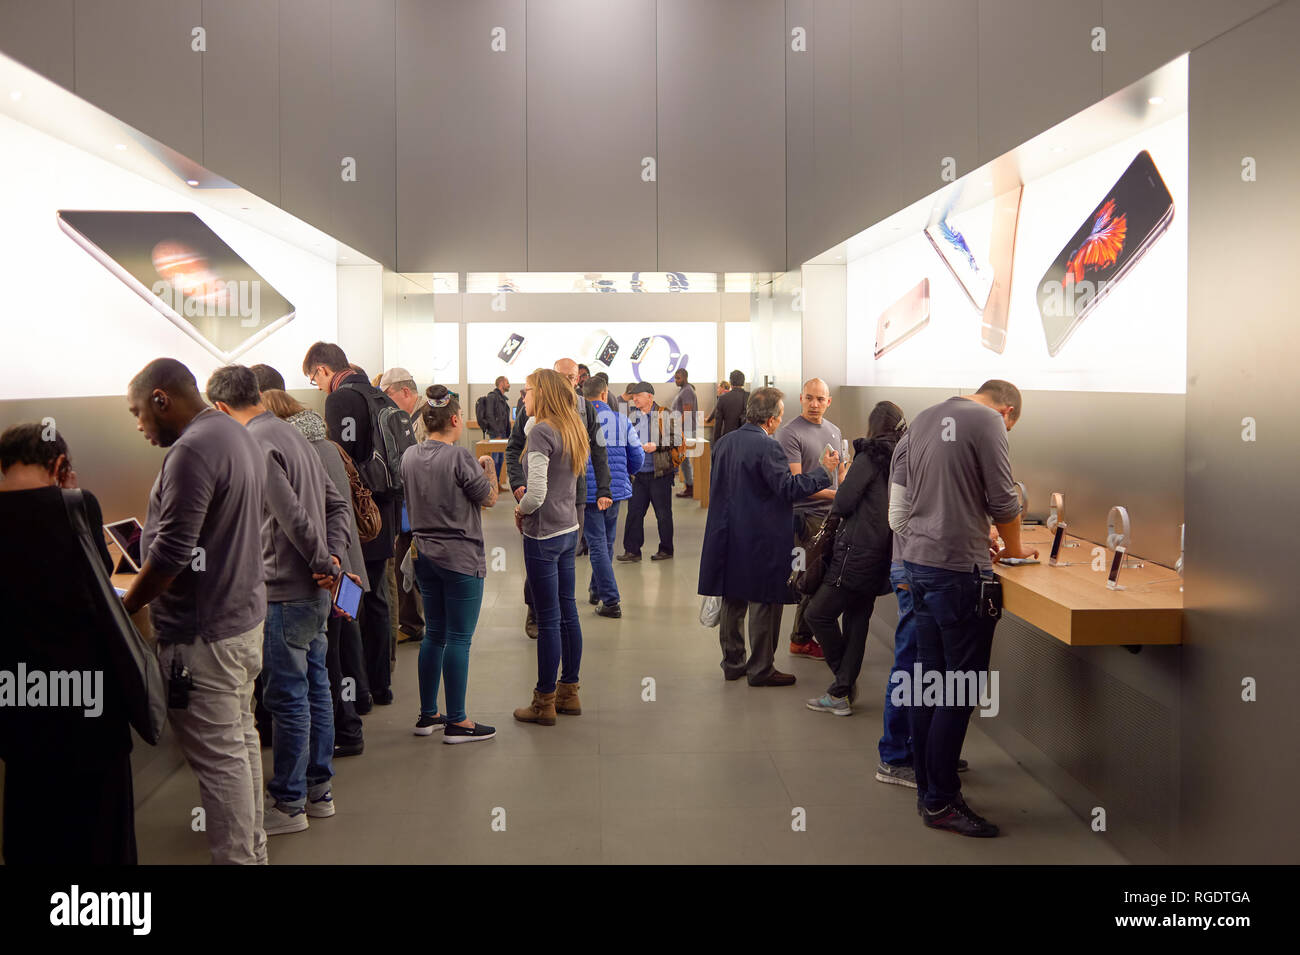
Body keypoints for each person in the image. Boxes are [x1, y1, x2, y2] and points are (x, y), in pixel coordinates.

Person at [120, 358, 269, 864]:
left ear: (161, 399)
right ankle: (253, 855)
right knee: (239, 744)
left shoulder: (192, 450)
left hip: (203, 638)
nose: (139, 426)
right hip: (241, 623)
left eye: (139, 412)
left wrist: (128, 604)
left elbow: (171, 554)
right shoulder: (233, 433)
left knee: (222, 759)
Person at [207, 366, 353, 835]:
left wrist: (321, 558)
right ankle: (318, 791)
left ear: (222, 408)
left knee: (287, 698)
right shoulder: (295, 437)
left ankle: (289, 803)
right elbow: (336, 504)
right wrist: (332, 554)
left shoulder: (253, 444)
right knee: (316, 690)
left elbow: (289, 515)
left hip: (285, 592)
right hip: (313, 592)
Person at [893, 380, 1036, 838]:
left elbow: (904, 503)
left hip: (917, 563)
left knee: (930, 678)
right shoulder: (990, 421)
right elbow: (1002, 498)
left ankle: (927, 791)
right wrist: (1014, 549)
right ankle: (940, 802)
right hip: (957, 573)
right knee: (959, 688)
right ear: (1008, 411)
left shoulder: (922, 418)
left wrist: (964, 529)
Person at [0, 424, 139, 864]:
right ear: (60, 466)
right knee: (101, 831)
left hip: (18, 700)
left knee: (31, 821)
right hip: (89, 702)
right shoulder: (77, 506)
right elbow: (97, 586)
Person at [699, 387, 838, 687]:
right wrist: (824, 472)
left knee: (733, 598)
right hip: (759, 537)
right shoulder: (769, 447)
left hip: (726, 533)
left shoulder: (724, 443)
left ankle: (733, 663)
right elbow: (787, 488)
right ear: (773, 420)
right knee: (764, 601)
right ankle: (761, 669)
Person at [261, 389, 371, 759]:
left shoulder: (283, 452)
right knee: (333, 662)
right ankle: (352, 723)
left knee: (323, 670)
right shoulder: (323, 446)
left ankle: (337, 742)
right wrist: (335, 561)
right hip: (340, 567)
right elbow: (339, 505)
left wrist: (325, 564)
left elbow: (295, 520)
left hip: (317, 574)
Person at [304, 342, 408, 709]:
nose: (317, 388)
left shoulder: (340, 400)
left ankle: (356, 692)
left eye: (313, 379)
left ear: (322, 370)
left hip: (362, 516)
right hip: (388, 509)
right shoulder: (380, 395)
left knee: (353, 600)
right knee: (377, 597)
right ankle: (380, 684)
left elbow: (343, 462)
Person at [401, 385, 500, 743]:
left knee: (435, 635)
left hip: (424, 555)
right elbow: (488, 498)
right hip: (460, 558)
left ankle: (428, 714)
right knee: (460, 638)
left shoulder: (409, 456)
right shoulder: (460, 458)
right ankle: (457, 721)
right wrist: (488, 467)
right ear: (456, 420)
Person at [804, 401, 907, 716]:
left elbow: (845, 501)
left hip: (855, 551)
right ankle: (841, 693)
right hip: (885, 554)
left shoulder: (870, 456)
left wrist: (846, 476)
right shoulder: (905, 459)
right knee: (857, 618)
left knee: (817, 614)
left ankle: (843, 683)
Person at [506, 358, 611, 638]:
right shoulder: (531, 411)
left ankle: (561, 616)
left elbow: (599, 451)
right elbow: (514, 448)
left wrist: (604, 489)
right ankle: (536, 610)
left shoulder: (585, 409)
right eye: (561, 375)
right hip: (537, 498)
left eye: (572, 376)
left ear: (578, 379)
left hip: (573, 496)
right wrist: (518, 485)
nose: (568, 380)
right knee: (537, 556)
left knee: (566, 559)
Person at [513, 368, 590, 726]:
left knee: (547, 619)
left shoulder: (543, 432)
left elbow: (538, 492)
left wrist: (520, 508)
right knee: (567, 610)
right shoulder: (571, 427)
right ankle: (568, 691)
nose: (522, 397)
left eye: (526, 391)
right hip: (568, 528)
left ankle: (543, 701)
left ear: (541, 393)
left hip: (542, 535)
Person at [777, 378, 846, 661]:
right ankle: (800, 639)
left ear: (829, 401)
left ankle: (803, 636)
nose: (815, 404)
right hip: (805, 517)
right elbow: (797, 483)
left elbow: (838, 476)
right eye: (810, 398)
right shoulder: (789, 433)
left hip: (830, 517)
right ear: (801, 399)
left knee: (819, 579)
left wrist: (844, 485)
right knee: (808, 578)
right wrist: (837, 497)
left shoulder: (834, 430)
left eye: (820, 399)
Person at [580, 376, 644, 618]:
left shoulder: (578, 421)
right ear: (605, 394)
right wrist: (626, 474)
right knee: (606, 542)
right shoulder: (622, 420)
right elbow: (636, 455)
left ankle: (610, 600)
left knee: (597, 543)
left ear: (583, 395)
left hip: (589, 492)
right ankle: (597, 590)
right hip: (615, 490)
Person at [378, 367, 428, 644]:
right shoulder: (404, 418)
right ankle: (412, 622)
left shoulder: (423, 418)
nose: (384, 400)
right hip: (410, 505)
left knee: (413, 565)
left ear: (405, 391)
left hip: (419, 506)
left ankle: (412, 624)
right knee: (405, 565)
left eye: (387, 394)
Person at [618, 383, 682, 562]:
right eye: (633, 396)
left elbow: (676, 439)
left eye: (638, 395)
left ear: (650, 397)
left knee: (663, 514)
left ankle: (666, 549)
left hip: (659, 473)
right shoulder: (632, 416)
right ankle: (632, 551)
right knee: (634, 513)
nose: (635, 398)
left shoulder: (665, 414)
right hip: (638, 474)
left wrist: (657, 446)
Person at [475, 375, 512, 478]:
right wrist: (497, 433)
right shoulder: (492, 396)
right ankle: (492, 485)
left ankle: (498, 485)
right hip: (496, 434)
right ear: (501, 383)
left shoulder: (502, 399)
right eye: (507, 382)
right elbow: (489, 416)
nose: (509, 384)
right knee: (495, 460)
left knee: (500, 459)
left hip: (502, 433)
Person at [671, 368, 698, 499]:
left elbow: (686, 413)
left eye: (678, 378)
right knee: (683, 459)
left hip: (685, 429)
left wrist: (675, 424)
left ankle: (691, 487)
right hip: (682, 429)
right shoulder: (683, 390)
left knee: (684, 459)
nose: (676, 380)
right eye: (675, 378)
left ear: (685, 377)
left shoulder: (687, 391)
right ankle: (689, 485)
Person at [712, 370, 748, 451]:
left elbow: (718, 425)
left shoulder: (723, 399)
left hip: (729, 439)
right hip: (746, 440)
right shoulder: (750, 397)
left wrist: (716, 445)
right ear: (743, 382)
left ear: (730, 382)